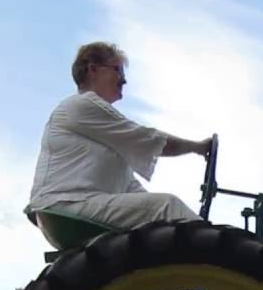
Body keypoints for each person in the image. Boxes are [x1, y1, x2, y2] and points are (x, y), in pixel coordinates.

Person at [24, 41, 214, 233]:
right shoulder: (82, 104)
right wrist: (197, 147)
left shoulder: (105, 136)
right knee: (168, 206)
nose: (123, 81)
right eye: (119, 71)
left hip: (73, 205)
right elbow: (147, 139)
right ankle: (221, 253)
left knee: (161, 218)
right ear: (93, 69)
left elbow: (132, 191)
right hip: (64, 204)